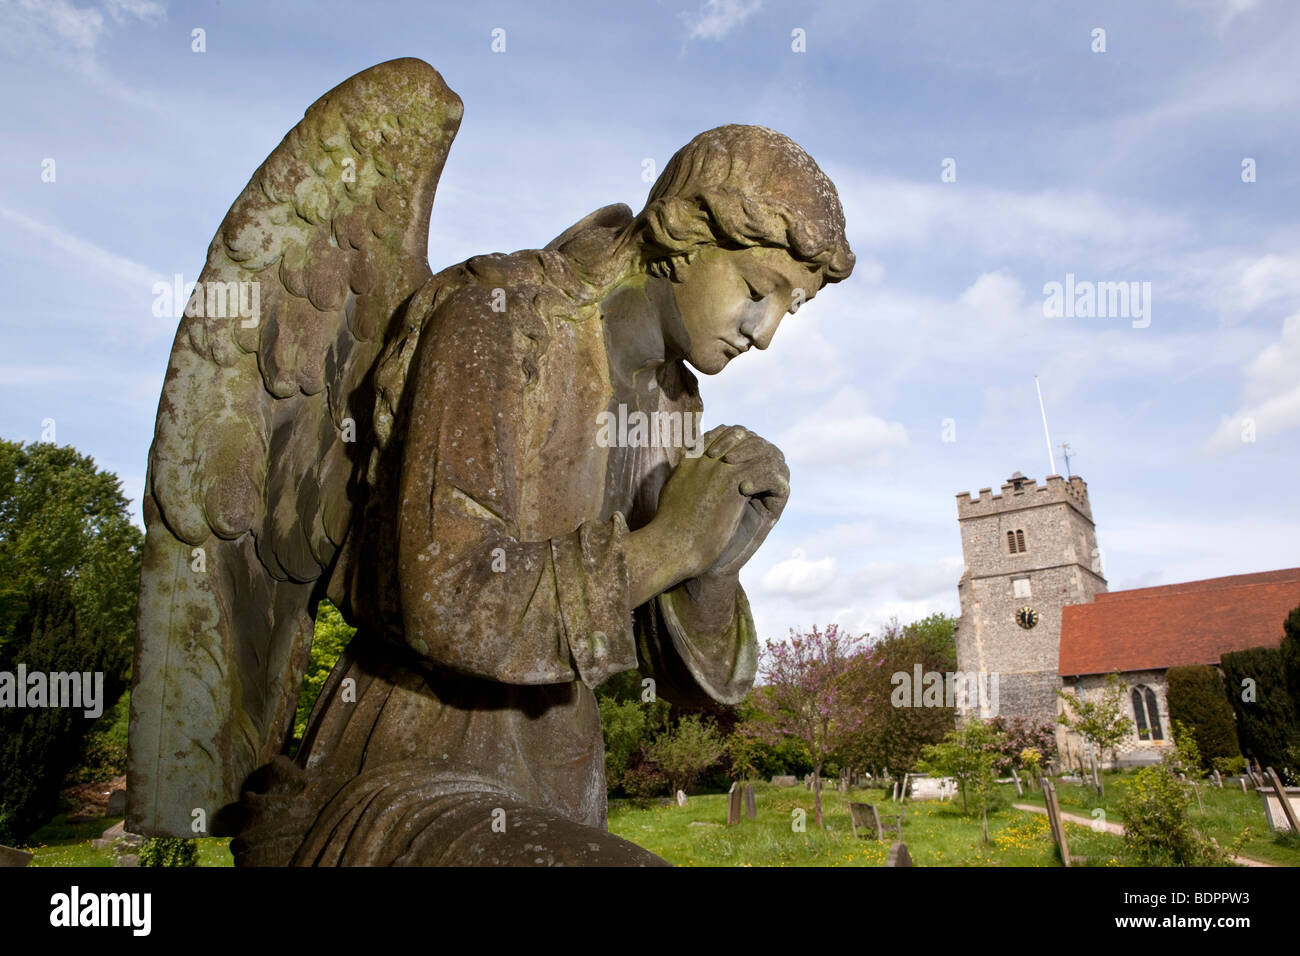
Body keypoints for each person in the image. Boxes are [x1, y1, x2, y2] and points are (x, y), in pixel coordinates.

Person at [231, 124, 854, 866]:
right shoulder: (497, 319)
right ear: (683, 236)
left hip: (560, 778)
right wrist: (672, 544)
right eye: (757, 290)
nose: (766, 333)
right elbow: (448, 600)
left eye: (792, 307)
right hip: (416, 760)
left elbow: (689, 686)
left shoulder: (671, 401)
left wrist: (715, 561)